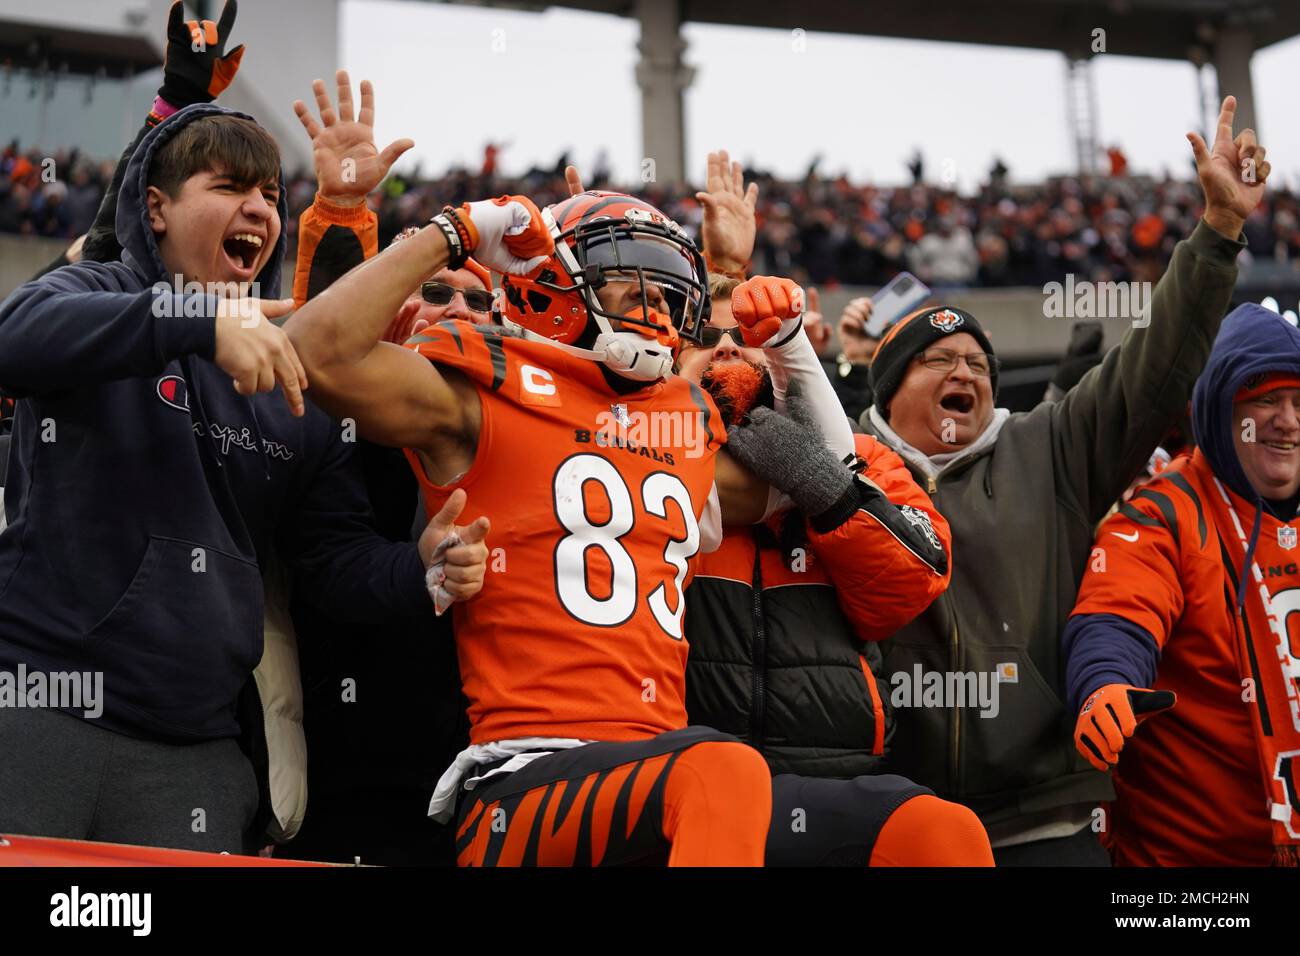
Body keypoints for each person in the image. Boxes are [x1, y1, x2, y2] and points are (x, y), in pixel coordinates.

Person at [284, 114, 828, 862]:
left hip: (654, 763)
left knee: (932, 825)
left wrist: (782, 334)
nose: (658, 314)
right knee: (721, 767)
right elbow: (313, 352)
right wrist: (457, 231)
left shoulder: (676, 416)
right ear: (552, 291)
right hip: (523, 771)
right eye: (631, 287)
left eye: (669, 298)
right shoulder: (487, 385)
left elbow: (823, 481)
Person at [0, 100, 488, 855]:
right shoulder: (96, 292)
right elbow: (16, 340)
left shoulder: (293, 379)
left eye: (268, 196)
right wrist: (199, 320)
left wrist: (417, 569)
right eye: (228, 187)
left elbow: (331, 561)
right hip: (39, 710)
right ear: (155, 209)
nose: (257, 208)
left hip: (194, 751)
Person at [857, 96, 1270, 864]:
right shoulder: (845, 465)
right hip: (898, 823)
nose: (966, 372)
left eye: (979, 364)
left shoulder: (1048, 445)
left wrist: (1216, 233)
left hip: (1049, 823)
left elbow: (1153, 365)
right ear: (887, 390)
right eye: (940, 361)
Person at [679, 274, 993, 866]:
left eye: (742, 335)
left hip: (837, 770)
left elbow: (911, 582)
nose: (724, 346)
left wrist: (822, 483)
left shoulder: (861, 453)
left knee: (943, 835)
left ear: (775, 359)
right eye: (704, 335)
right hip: (684, 775)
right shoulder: (635, 458)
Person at [1064, 302, 1300, 866]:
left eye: (1299, 402)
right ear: (1220, 410)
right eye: (1265, 399)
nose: (1288, 420)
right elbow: (1117, 611)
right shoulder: (1166, 512)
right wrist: (1105, 683)